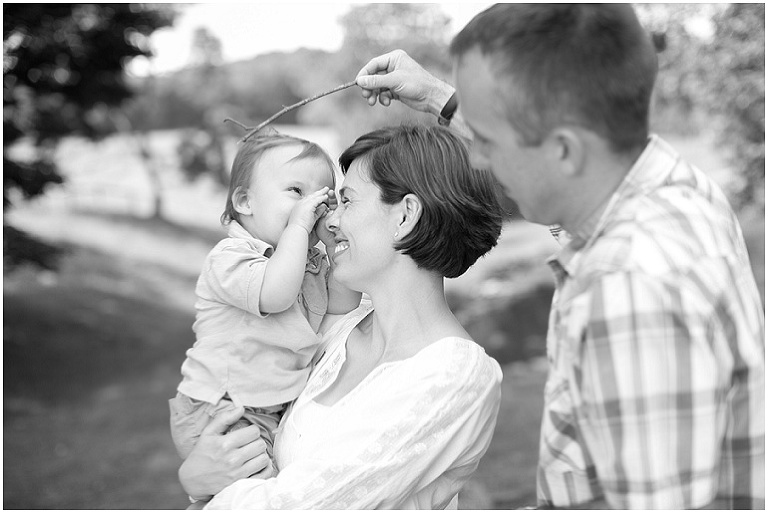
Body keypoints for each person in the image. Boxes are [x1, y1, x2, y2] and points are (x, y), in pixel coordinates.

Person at [355, 4, 765, 510]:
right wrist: (442, 99)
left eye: (490, 141)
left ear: (565, 150)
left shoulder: (627, 287)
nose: (478, 159)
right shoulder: (673, 188)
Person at [176, 124, 505, 509]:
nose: (330, 220)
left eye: (346, 201)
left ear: (405, 216)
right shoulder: (336, 331)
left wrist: (198, 488)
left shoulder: (452, 374)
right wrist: (198, 478)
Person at [170, 132, 361, 479]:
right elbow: (276, 295)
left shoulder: (309, 262)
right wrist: (299, 227)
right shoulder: (231, 258)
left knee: (249, 492)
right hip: (223, 407)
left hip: (268, 408)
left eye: (323, 197)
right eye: (297, 192)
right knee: (256, 494)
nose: (312, 206)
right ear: (245, 201)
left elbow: (342, 306)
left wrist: (334, 247)